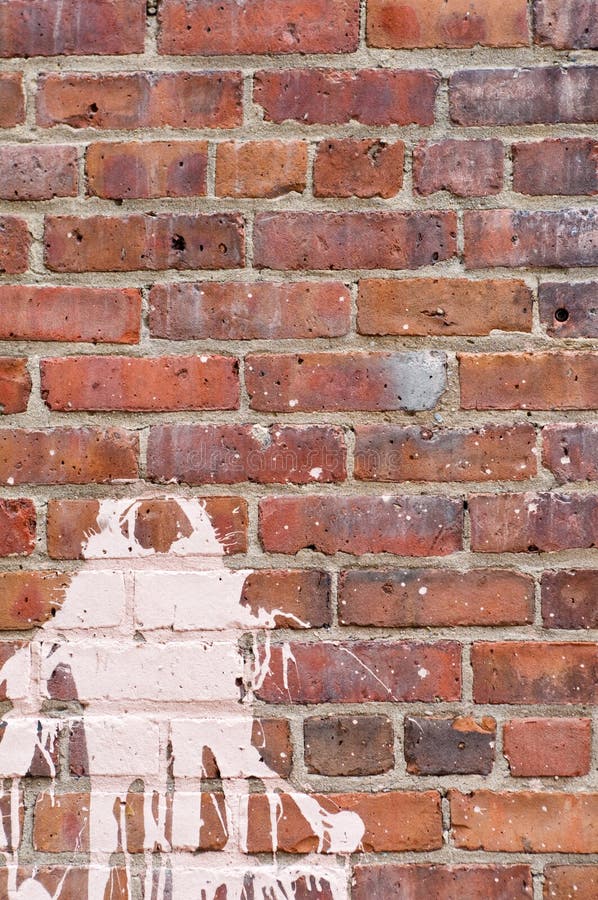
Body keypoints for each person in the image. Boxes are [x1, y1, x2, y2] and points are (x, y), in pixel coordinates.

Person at [0, 497, 362, 898]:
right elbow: (37, 656)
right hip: (120, 751)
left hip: (152, 756)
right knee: (126, 836)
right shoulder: (102, 586)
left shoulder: (179, 595)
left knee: (149, 833)